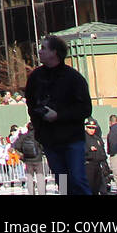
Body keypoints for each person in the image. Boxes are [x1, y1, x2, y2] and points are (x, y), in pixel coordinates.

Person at [23, 35, 92, 196]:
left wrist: (59, 115)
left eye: (43, 48)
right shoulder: (35, 77)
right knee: (63, 183)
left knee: (77, 179)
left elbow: (85, 109)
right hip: (50, 139)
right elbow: (31, 104)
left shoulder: (73, 78)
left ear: (54, 52)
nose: (39, 51)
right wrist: (39, 126)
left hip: (71, 139)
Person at [83, 119, 111, 196]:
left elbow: (103, 154)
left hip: (98, 165)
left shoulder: (97, 139)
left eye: (93, 128)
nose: (92, 130)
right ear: (86, 127)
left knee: (96, 188)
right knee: (89, 188)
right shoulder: (83, 138)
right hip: (88, 165)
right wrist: (89, 150)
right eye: (89, 128)